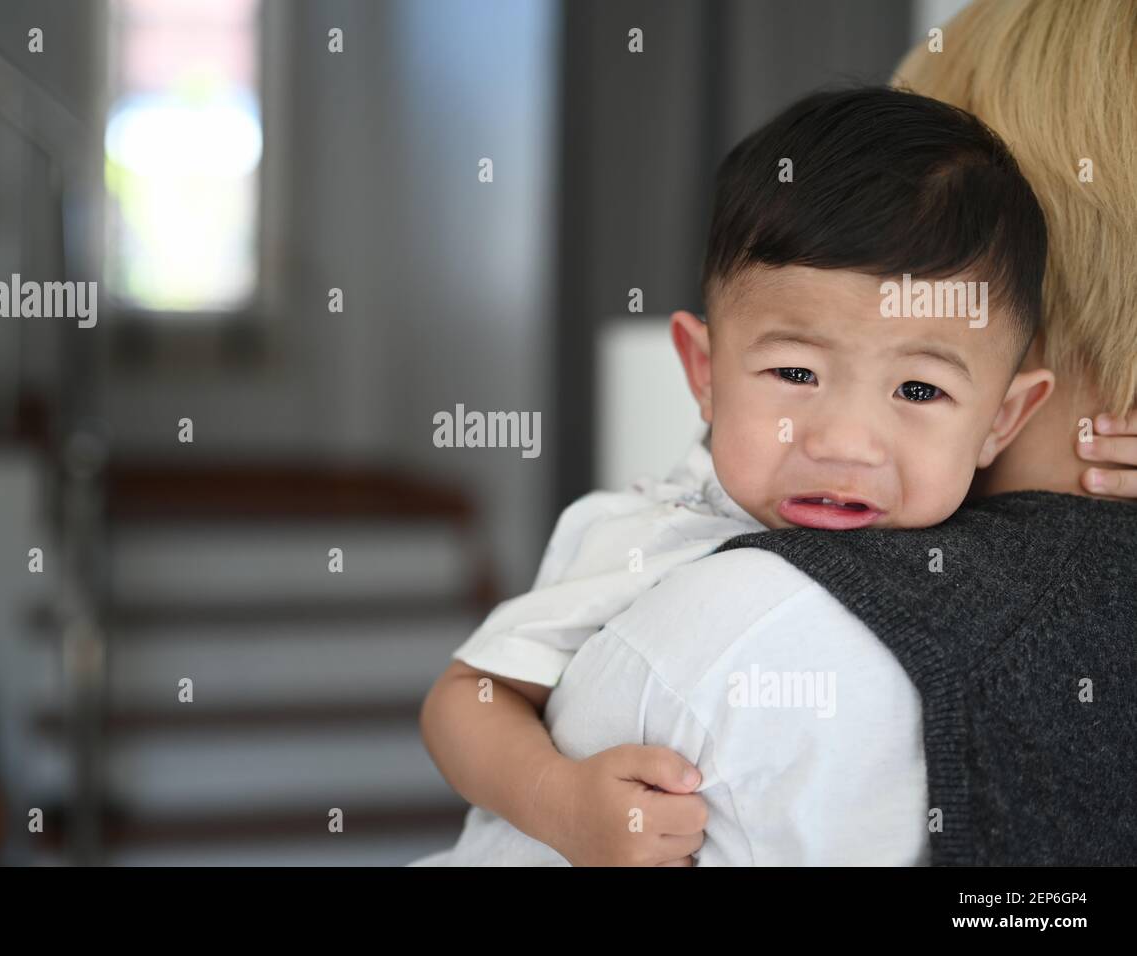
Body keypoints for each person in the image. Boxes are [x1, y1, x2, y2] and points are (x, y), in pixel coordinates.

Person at [413, 83, 1064, 865]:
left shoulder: (991, 536)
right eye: (794, 372)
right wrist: (562, 803)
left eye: (919, 390)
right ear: (706, 371)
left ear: (1002, 421)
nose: (846, 441)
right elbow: (461, 701)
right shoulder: (645, 535)